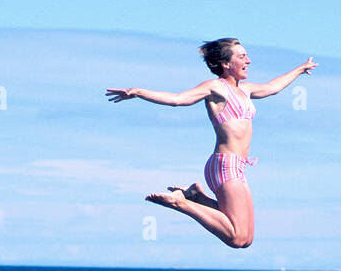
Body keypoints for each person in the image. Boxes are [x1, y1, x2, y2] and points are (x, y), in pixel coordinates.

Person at [106, 39, 317, 248]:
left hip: (238, 167)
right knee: (236, 238)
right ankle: (182, 203)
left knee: (246, 239)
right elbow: (177, 99)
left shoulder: (246, 90)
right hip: (224, 166)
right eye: (242, 57)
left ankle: (197, 196)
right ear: (226, 64)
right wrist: (138, 92)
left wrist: (300, 69)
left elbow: (273, 87)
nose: (249, 61)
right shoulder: (216, 88)